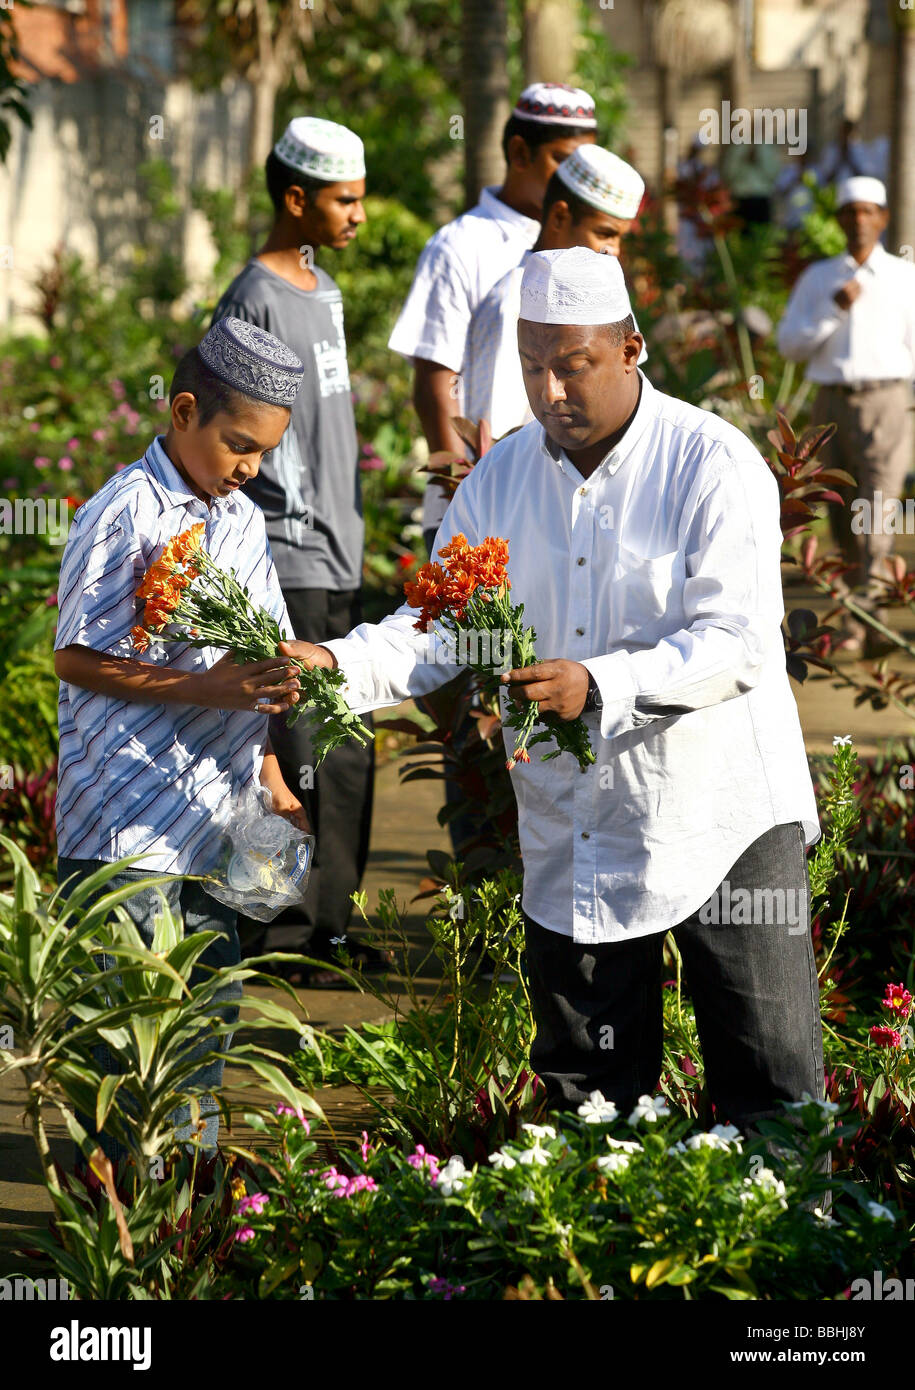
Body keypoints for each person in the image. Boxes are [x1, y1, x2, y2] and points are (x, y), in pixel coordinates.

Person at [281, 248, 823, 1137]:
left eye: (572, 366)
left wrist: (598, 682)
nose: (548, 392)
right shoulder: (501, 480)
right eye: (531, 368)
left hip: (719, 811)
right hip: (578, 820)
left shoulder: (710, 464)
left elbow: (734, 643)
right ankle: (599, 1251)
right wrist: (334, 665)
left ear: (629, 347)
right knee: (590, 1091)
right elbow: (442, 626)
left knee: (768, 1079)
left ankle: (798, 1252)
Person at [53, 317, 309, 1159]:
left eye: (264, 452)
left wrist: (271, 776)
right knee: (121, 1027)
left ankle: (181, 1199)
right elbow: (75, 655)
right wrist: (203, 687)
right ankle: (115, 1206)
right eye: (240, 444)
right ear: (184, 411)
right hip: (125, 821)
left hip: (216, 815)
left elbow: (257, 665)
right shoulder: (121, 511)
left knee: (206, 1013)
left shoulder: (237, 517)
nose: (250, 468)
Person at [213, 117, 378, 984]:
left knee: (346, 743)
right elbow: (234, 431)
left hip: (339, 553)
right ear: (295, 197)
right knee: (303, 746)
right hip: (288, 555)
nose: (359, 213)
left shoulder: (321, 287)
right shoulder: (257, 296)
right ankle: (284, 932)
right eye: (345, 198)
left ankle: (332, 927)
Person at [388, 81, 598, 556]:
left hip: (552, 501)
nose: (574, 178)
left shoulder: (583, 248)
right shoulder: (461, 245)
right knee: (478, 633)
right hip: (473, 505)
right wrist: (462, 488)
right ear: (520, 151)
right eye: (563, 161)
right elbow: (433, 382)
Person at [777, 176, 915, 656]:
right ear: (839, 219)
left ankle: (865, 615)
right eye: (849, 212)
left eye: (867, 211)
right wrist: (833, 312)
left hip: (887, 401)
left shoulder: (903, 277)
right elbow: (789, 344)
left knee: (877, 507)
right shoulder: (819, 279)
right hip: (831, 404)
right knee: (840, 510)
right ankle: (862, 612)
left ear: (881, 218)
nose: (858, 220)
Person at [465, 144, 646, 441]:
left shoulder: (605, 292)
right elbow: (494, 435)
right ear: (560, 217)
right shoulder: (515, 298)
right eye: (604, 233)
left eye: (620, 238)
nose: (613, 250)